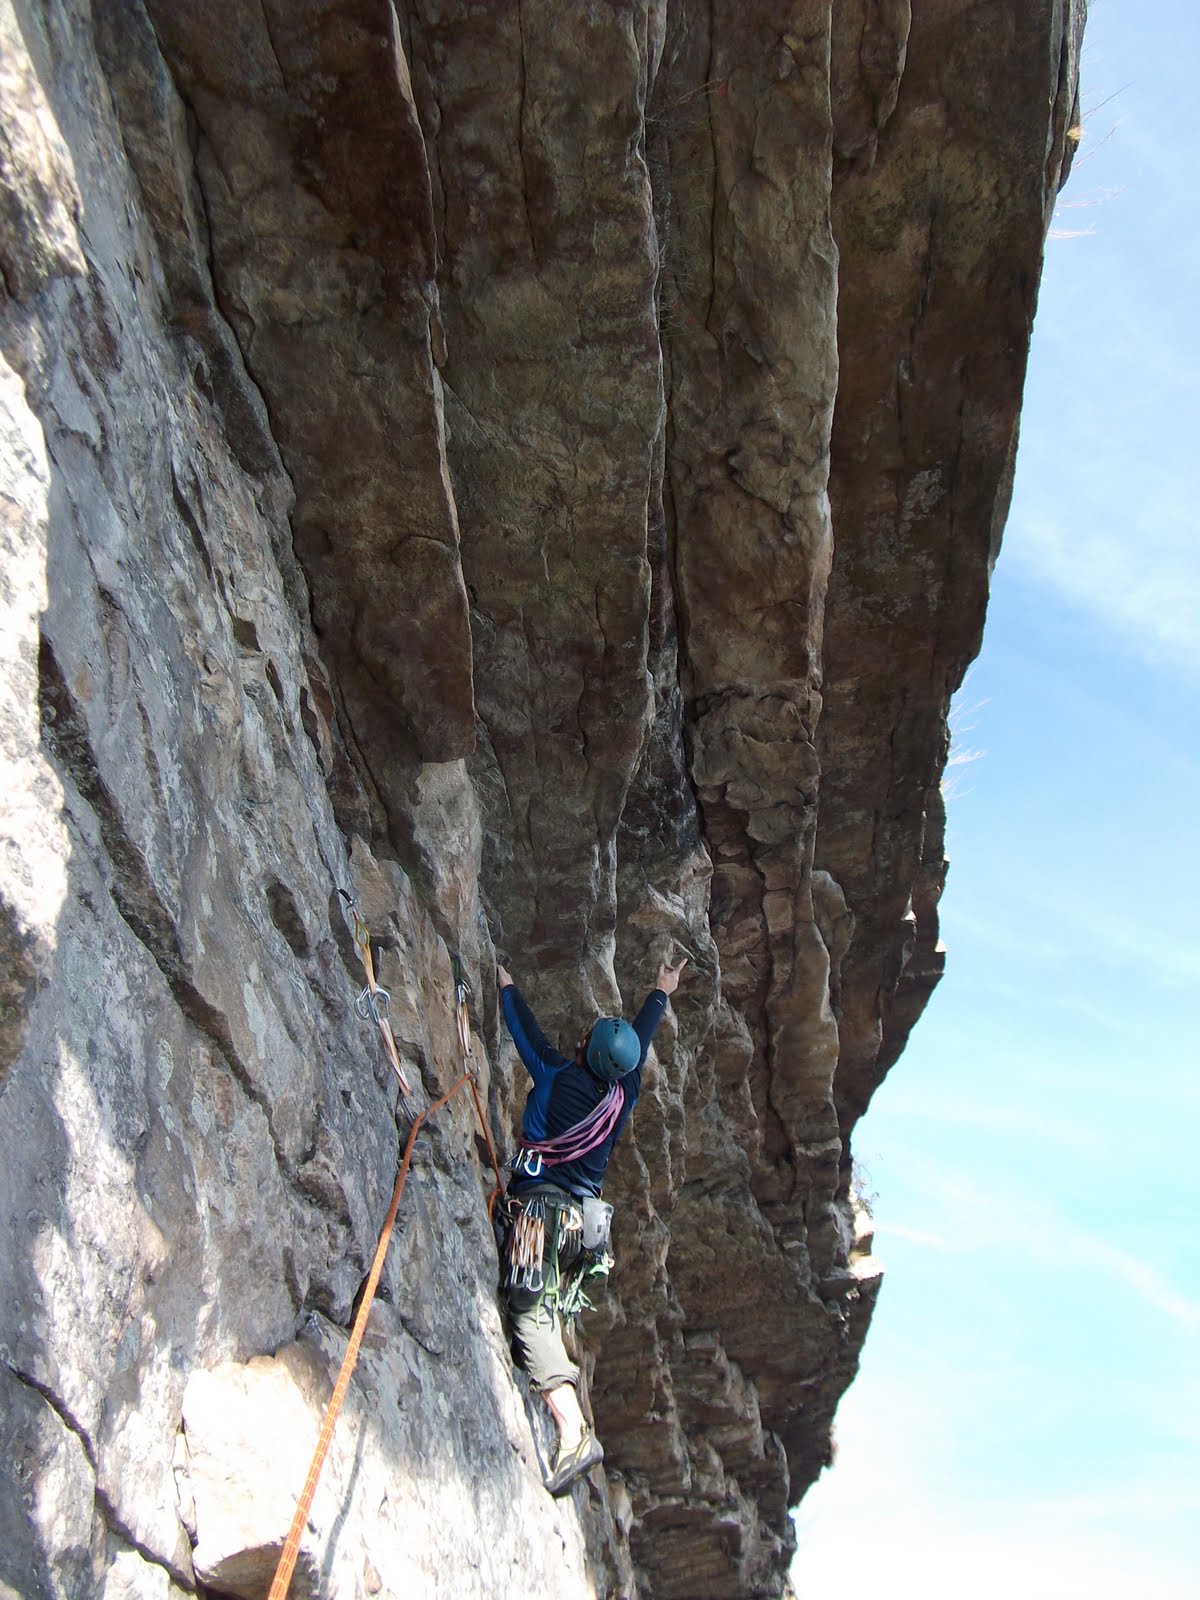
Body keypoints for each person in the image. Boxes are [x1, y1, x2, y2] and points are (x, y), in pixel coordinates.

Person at [496, 954, 687, 1495]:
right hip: (581, 1227)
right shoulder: (622, 1097)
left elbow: (524, 1031)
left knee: (529, 1309)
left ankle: (573, 1431)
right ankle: (552, 1369)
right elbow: (636, 1048)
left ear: (584, 1047)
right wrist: (661, 992)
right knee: (546, 1303)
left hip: (538, 1214)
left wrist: (506, 984)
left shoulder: (556, 1074)